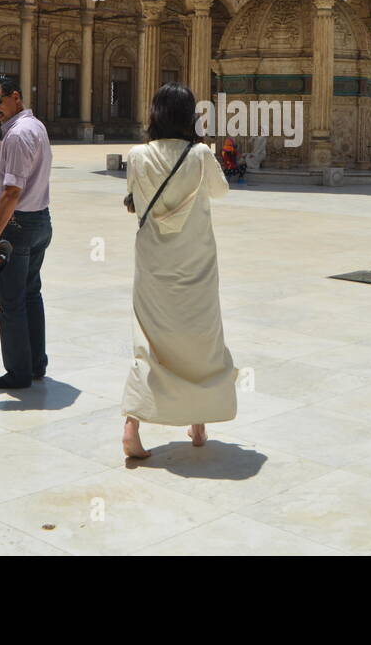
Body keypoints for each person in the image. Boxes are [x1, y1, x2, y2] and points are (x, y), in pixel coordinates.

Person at [121, 83, 237, 460]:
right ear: (191, 116)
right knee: (200, 339)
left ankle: (132, 427)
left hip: (154, 264)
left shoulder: (137, 155)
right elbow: (220, 192)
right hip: (197, 263)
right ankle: (199, 424)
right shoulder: (200, 154)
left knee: (150, 341)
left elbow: (135, 201)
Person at [0, 76, 53, 389]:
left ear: (15, 96)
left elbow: (12, 191)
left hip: (18, 227)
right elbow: (16, 152)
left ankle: (18, 373)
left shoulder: (17, 135)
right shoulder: (35, 127)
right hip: (41, 222)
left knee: (12, 301)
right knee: (31, 294)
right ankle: (35, 364)